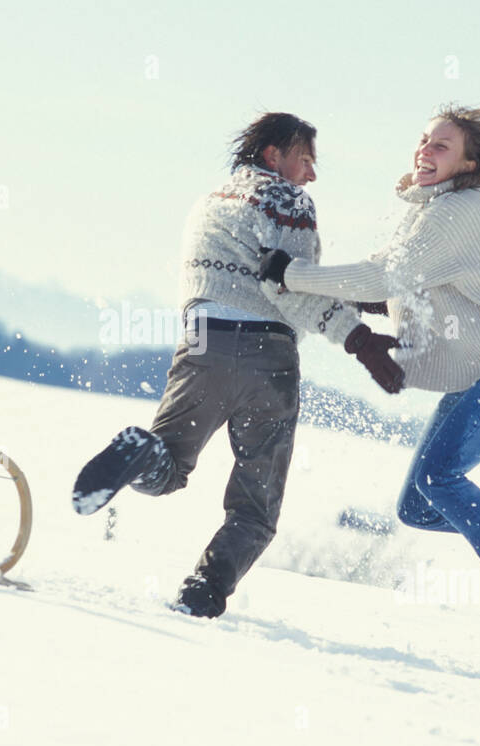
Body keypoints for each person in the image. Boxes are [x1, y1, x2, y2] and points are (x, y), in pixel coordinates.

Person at [257, 105, 480, 653]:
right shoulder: (432, 210)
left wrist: (289, 273)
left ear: (467, 163)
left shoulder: (457, 212)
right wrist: (353, 300)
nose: (425, 150)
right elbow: (393, 278)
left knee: (440, 481)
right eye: (423, 140)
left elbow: (384, 274)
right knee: (418, 505)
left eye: (442, 145)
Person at [71, 112, 404, 618]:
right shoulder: (288, 201)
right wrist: (358, 339)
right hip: (266, 357)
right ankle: (203, 591)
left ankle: (140, 454)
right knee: (256, 505)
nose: (311, 175)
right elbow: (289, 289)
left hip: (201, 343)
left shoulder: (208, 204)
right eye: (306, 159)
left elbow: (232, 284)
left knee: (169, 468)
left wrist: (357, 302)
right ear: (274, 155)